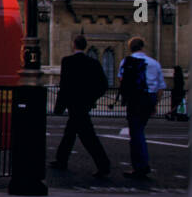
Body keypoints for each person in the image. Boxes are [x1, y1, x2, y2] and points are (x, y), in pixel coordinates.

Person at [49, 35, 110, 178]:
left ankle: (103, 165)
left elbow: (64, 85)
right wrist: (91, 98)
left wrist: (59, 106)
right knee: (71, 133)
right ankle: (61, 160)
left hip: (73, 103)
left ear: (73, 45)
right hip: (84, 104)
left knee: (87, 137)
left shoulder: (68, 61)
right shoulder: (93, 63)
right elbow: (103, 85)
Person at [117, 36, 163, 178]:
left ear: (130, 48)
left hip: (135, 99)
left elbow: (121, 80)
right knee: (139, 130)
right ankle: (140, 165)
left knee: (136, 133)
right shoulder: (154, 63)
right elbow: (160, 87)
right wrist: (155, 104)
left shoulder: (126, 61)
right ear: (143, 47)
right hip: (149, 98)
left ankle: (140, 166)